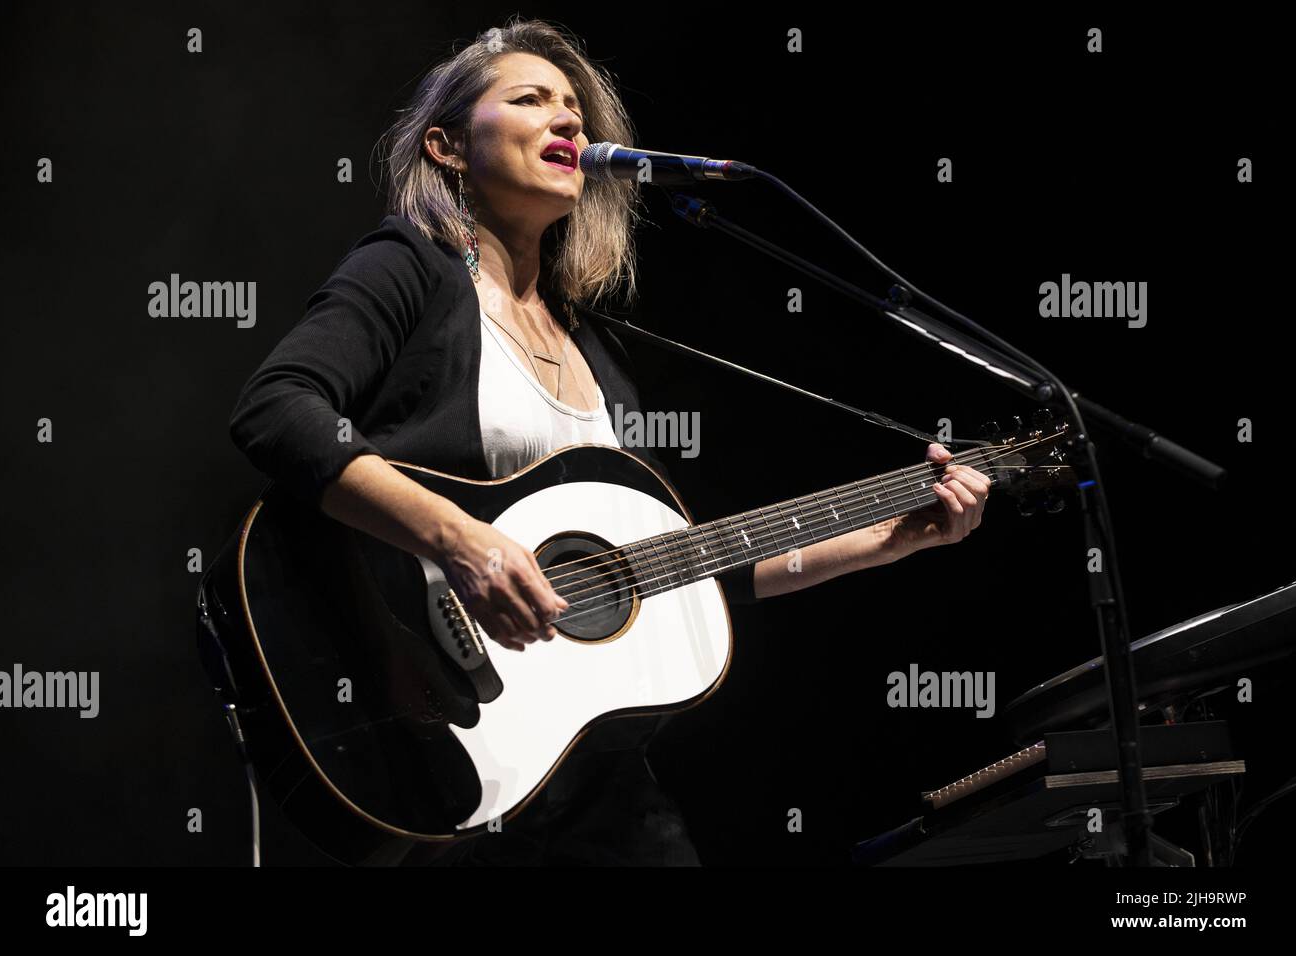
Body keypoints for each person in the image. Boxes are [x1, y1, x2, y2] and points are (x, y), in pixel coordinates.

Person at [228, 17, 989, 866]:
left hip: (590, 774)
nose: (568, 122)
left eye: (575, 112)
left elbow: (677, 568)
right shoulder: (410, 267)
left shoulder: (598, 355)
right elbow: (278, 408)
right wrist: (461, 540)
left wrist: (887, 540)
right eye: (530, 100)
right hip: (433, 724)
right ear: (445, 147)